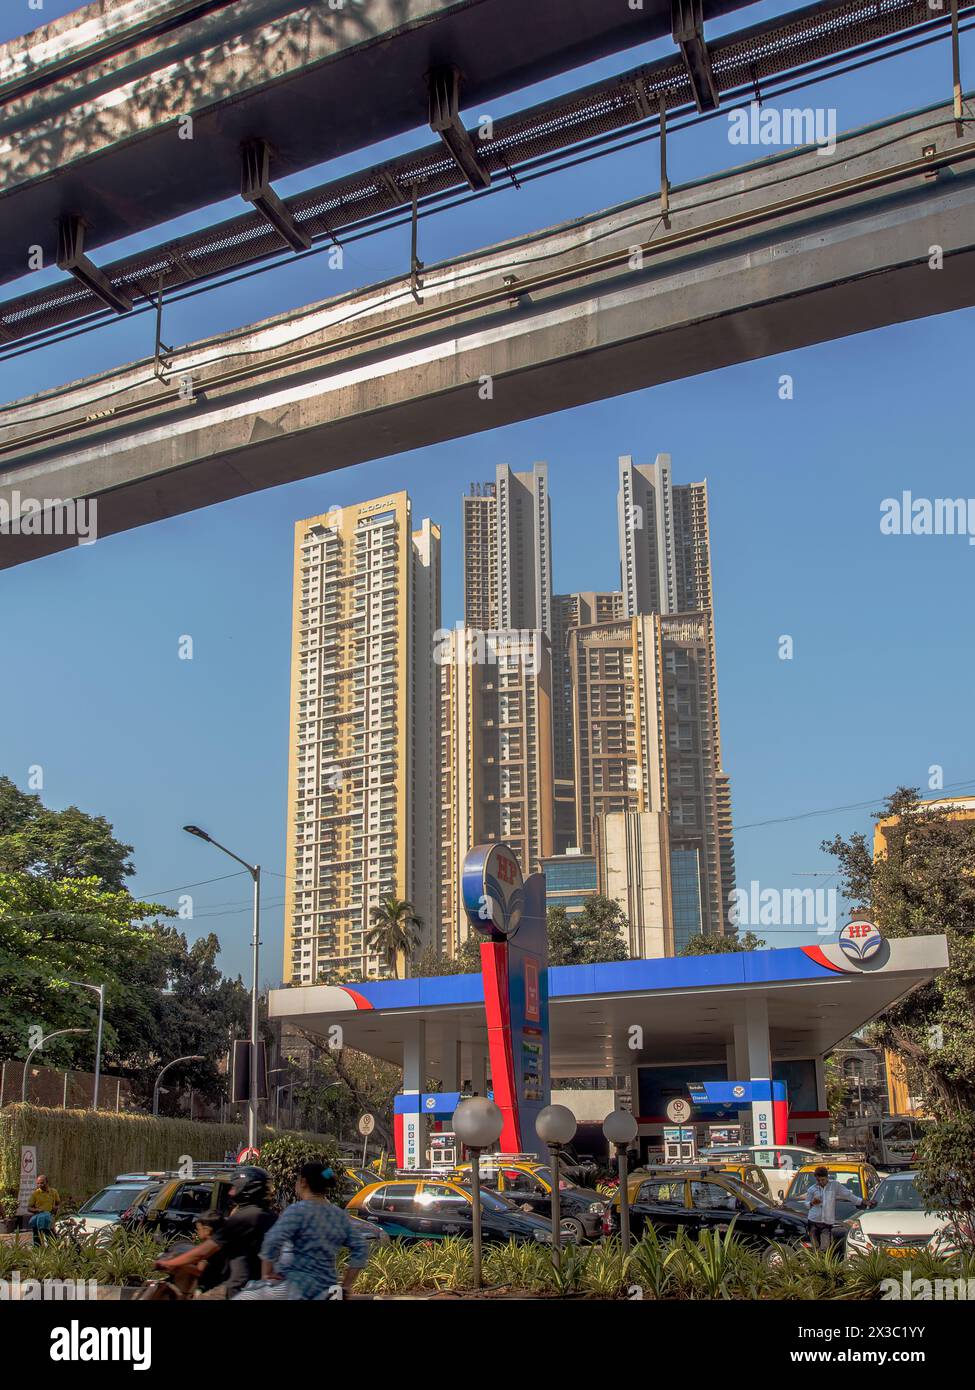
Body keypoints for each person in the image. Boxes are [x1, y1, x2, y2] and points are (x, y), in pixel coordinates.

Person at [235, 1163, 368, 1301]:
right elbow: (360, 1246)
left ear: (303, 1182)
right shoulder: (339, 1215)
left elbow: (272, 1241)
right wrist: (345, 1286)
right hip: (327, 1288)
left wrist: (266, 1274)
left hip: (296, 1287)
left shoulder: (297, 1211)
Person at [156, 1166, 276, 1298]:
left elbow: (202, 1252)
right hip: (262, 1289)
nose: (230, 1192)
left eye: (234, 1188)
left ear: (246, 1187)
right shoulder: (271, 1217)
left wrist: (168, 1263)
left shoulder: (244, 1217)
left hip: (237, 1290)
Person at [804, 1166, 865, 1251]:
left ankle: (824, 1262)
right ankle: (817, 1263)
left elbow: (847, 1194)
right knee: (815, 1248)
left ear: (827, 1177)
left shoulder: (834, 1185)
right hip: (813, 1221)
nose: (821, 1182)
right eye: (818, 1180)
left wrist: (861, 1202)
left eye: (823, 1180)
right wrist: (812, 1203)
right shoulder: (812, 1189)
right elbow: (806, 1204)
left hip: (826, 1223)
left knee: (825, 1248)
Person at [27, 1174, 60, 1245]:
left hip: (49, 1218)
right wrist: (37, 1210)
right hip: (38, 1219)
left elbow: (58, 1203)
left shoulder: (53, 1192)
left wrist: (56, 1209)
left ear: (47, 1182)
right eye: (38, 1183)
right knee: (37, 1238)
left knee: (51, 1238)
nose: (40, 1185)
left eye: (42, 1183)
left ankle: (53, 1252)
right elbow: (29, 1208)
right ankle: (38, 1253)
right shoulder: (35, 1194)